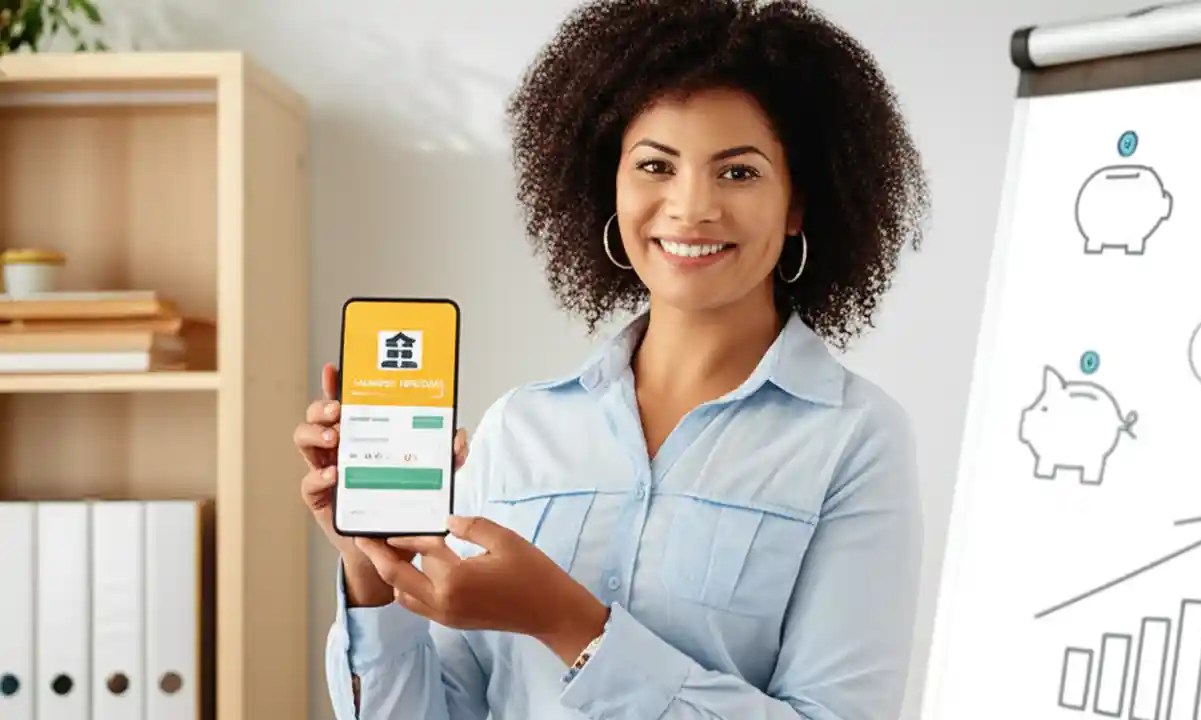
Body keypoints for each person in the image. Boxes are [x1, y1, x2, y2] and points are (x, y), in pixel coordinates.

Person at [295, 0, 931, 717]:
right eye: (656, 165)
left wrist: (571, 625)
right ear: (610, 186)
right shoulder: (520, 429)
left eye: (739, 173)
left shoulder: (855, 439)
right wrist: (370, 565)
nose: (690, 207)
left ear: (798, 205)